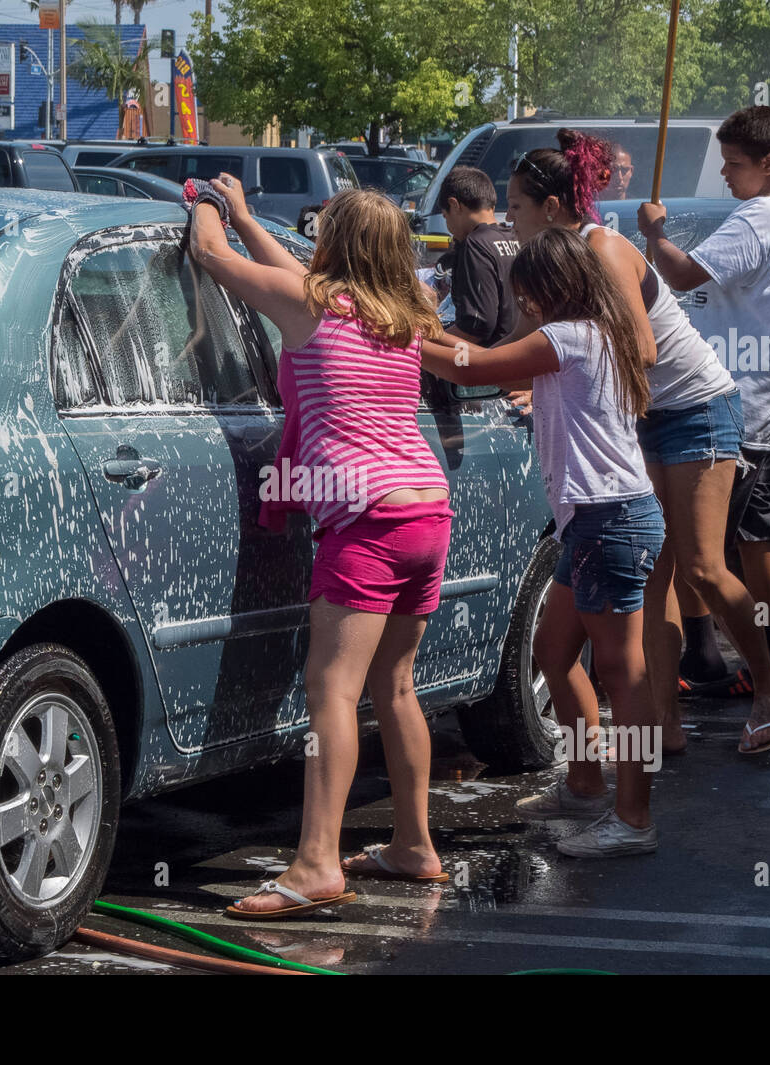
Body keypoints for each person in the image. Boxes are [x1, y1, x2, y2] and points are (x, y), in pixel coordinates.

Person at [187, 178, 456, 917]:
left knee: (331, 690)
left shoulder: (313, 307)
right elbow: (289, 278)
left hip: (366, 519)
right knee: (395, 686)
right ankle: (413, 844)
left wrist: (208, 200)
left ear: (335, 242)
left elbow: (209, 256)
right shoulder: (401, 319)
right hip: (426, 509)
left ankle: (315, 863)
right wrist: (246, 214)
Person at [504, 128, 770, 756]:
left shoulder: (603, 250)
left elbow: (644, 347)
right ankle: (661, 724)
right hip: (643, 415)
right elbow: (517, 350)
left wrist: (565, 371)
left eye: (517, 206)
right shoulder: (550, 262)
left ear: (552, 208)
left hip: (696, 408)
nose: (509, 217)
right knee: (654, 574)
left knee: (702, 568)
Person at [422, 227, 664, 856]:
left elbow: (467, 365)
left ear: (545, 287)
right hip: (596, 522)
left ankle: (634, 819)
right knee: (554, 652)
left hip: (610, 522)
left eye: (523, 287)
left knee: (622, 673)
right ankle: (585, 785)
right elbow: (486, 359)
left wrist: (406, 331)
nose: (519, 299)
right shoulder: (592, 334)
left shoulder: (568, 337)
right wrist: (427, 328)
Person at [638, 106, 770, 753]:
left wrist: (656, 234)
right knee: (676, 559)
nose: (724, 174)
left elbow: (682, 274)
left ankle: (769, 681)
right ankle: (678, 701)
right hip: (743, 394)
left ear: (769, 162)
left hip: (736, 399)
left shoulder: (762, 215)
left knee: (703, 563)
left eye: (734, 164)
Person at [437, 166, 521, 345]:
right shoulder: (516, 237)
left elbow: (476, 325)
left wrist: (427, 342)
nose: (448, 227)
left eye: (445, 216)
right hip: (518, 356)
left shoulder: (475, 244)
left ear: (454, 205)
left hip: (487, 360)